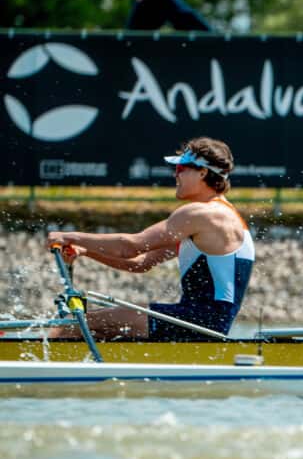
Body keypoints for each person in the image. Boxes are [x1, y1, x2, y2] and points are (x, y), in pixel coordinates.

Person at [45, 137, 254, 340]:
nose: (175, 175)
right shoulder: (221, 217)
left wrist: (68, 236)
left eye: (181, 169)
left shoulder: (203, 215)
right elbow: (140, 263)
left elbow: (130, 246)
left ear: (203, 173)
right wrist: (85, 250)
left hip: (199, 323)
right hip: (202, 323)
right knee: (92, 328)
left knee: (70, 327)